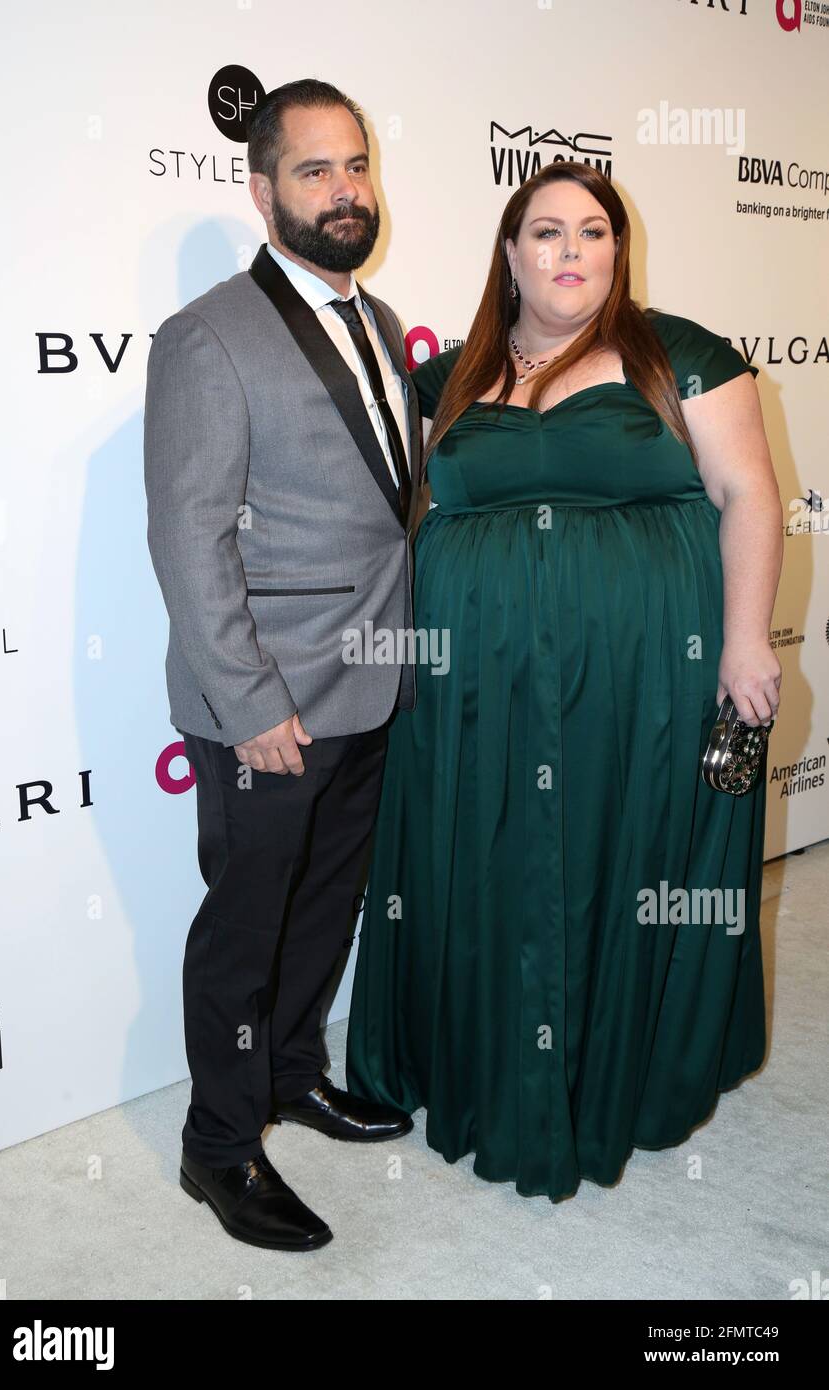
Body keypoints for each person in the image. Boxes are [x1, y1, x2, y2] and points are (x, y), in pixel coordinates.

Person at [345, 163, 782, 1202]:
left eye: (592, 231)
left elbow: (748, 495)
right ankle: (487, 1066)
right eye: (545, 232)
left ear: (616, 252)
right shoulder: (441, 380)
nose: (570, 251)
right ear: (508, 254)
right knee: (489, 863)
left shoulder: (679, 356)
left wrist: (741, 643)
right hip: (474, 694)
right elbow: (383, 520)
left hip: (648, 682)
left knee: (622, 860)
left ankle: (622, 1077)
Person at [143, 78, 420, 1250]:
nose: (342, 189)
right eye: (313, 170)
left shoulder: (374, 317)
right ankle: (218, 1145)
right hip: (268, 702)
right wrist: (250, 702)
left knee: (325, 904)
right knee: (247, 924)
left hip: (369, 680)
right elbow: (187, 532)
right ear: (262, 192)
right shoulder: (208, 335)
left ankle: (292, 1073)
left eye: (353, 165)